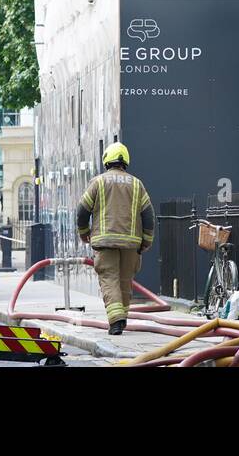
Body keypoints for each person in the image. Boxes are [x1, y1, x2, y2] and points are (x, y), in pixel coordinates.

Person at [76, 141, 154, 335]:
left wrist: (83, 232)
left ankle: (116, 320)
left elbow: (82, 211)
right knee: (125, 280)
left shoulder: (98, 182)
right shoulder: (137, 184)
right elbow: (148, 215)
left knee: (109, 279)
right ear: (125, 161)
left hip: (104, 242)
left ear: (106, 161)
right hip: (131, 243)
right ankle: (122, 318)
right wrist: (147, 240)